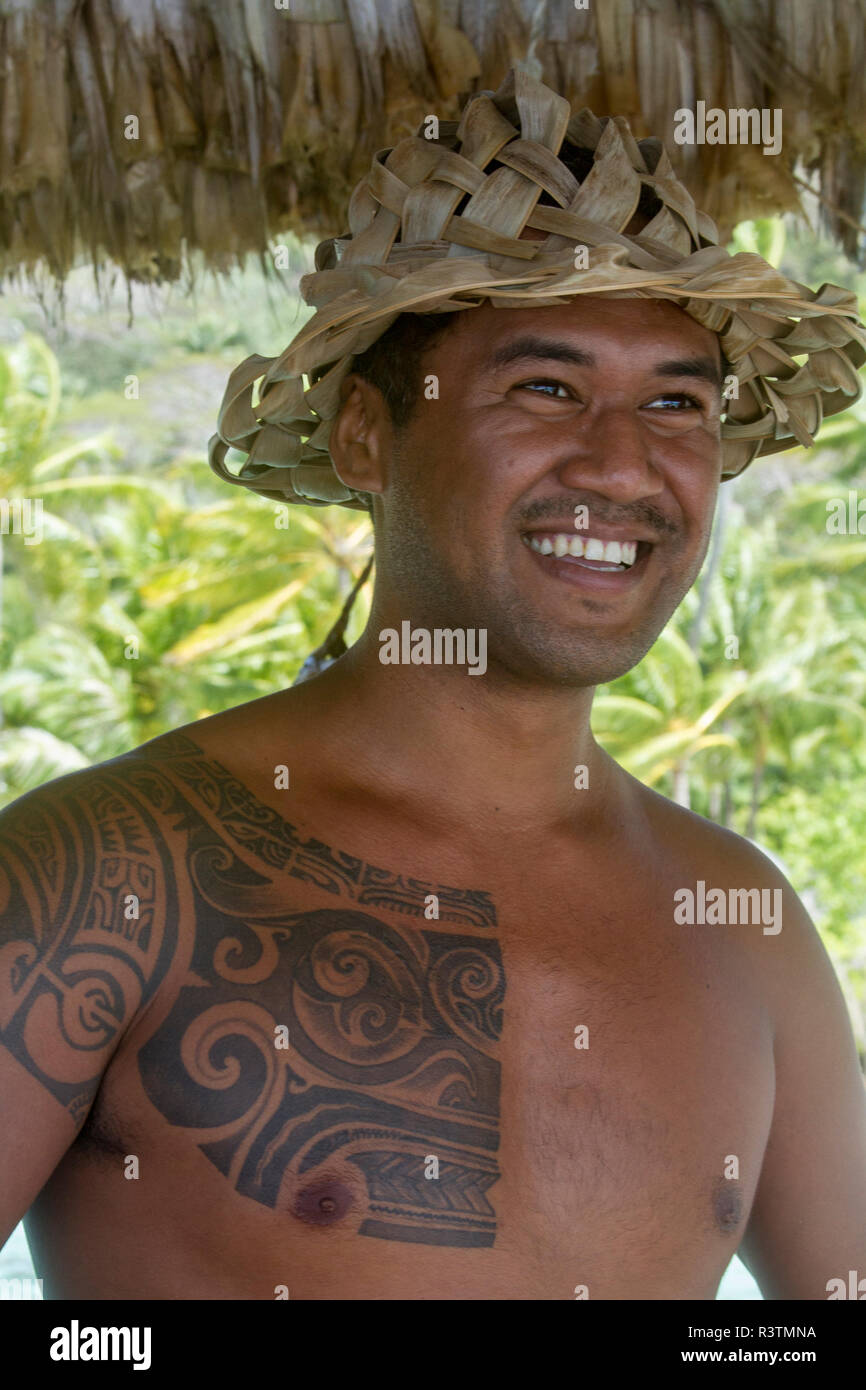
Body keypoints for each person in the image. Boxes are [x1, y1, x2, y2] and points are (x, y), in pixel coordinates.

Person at [2, 70, 865, 1301]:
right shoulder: (109, 873)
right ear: (365, 434)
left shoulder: (742, 918)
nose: (622, 465)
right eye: (545, 387)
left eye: (675, 402)